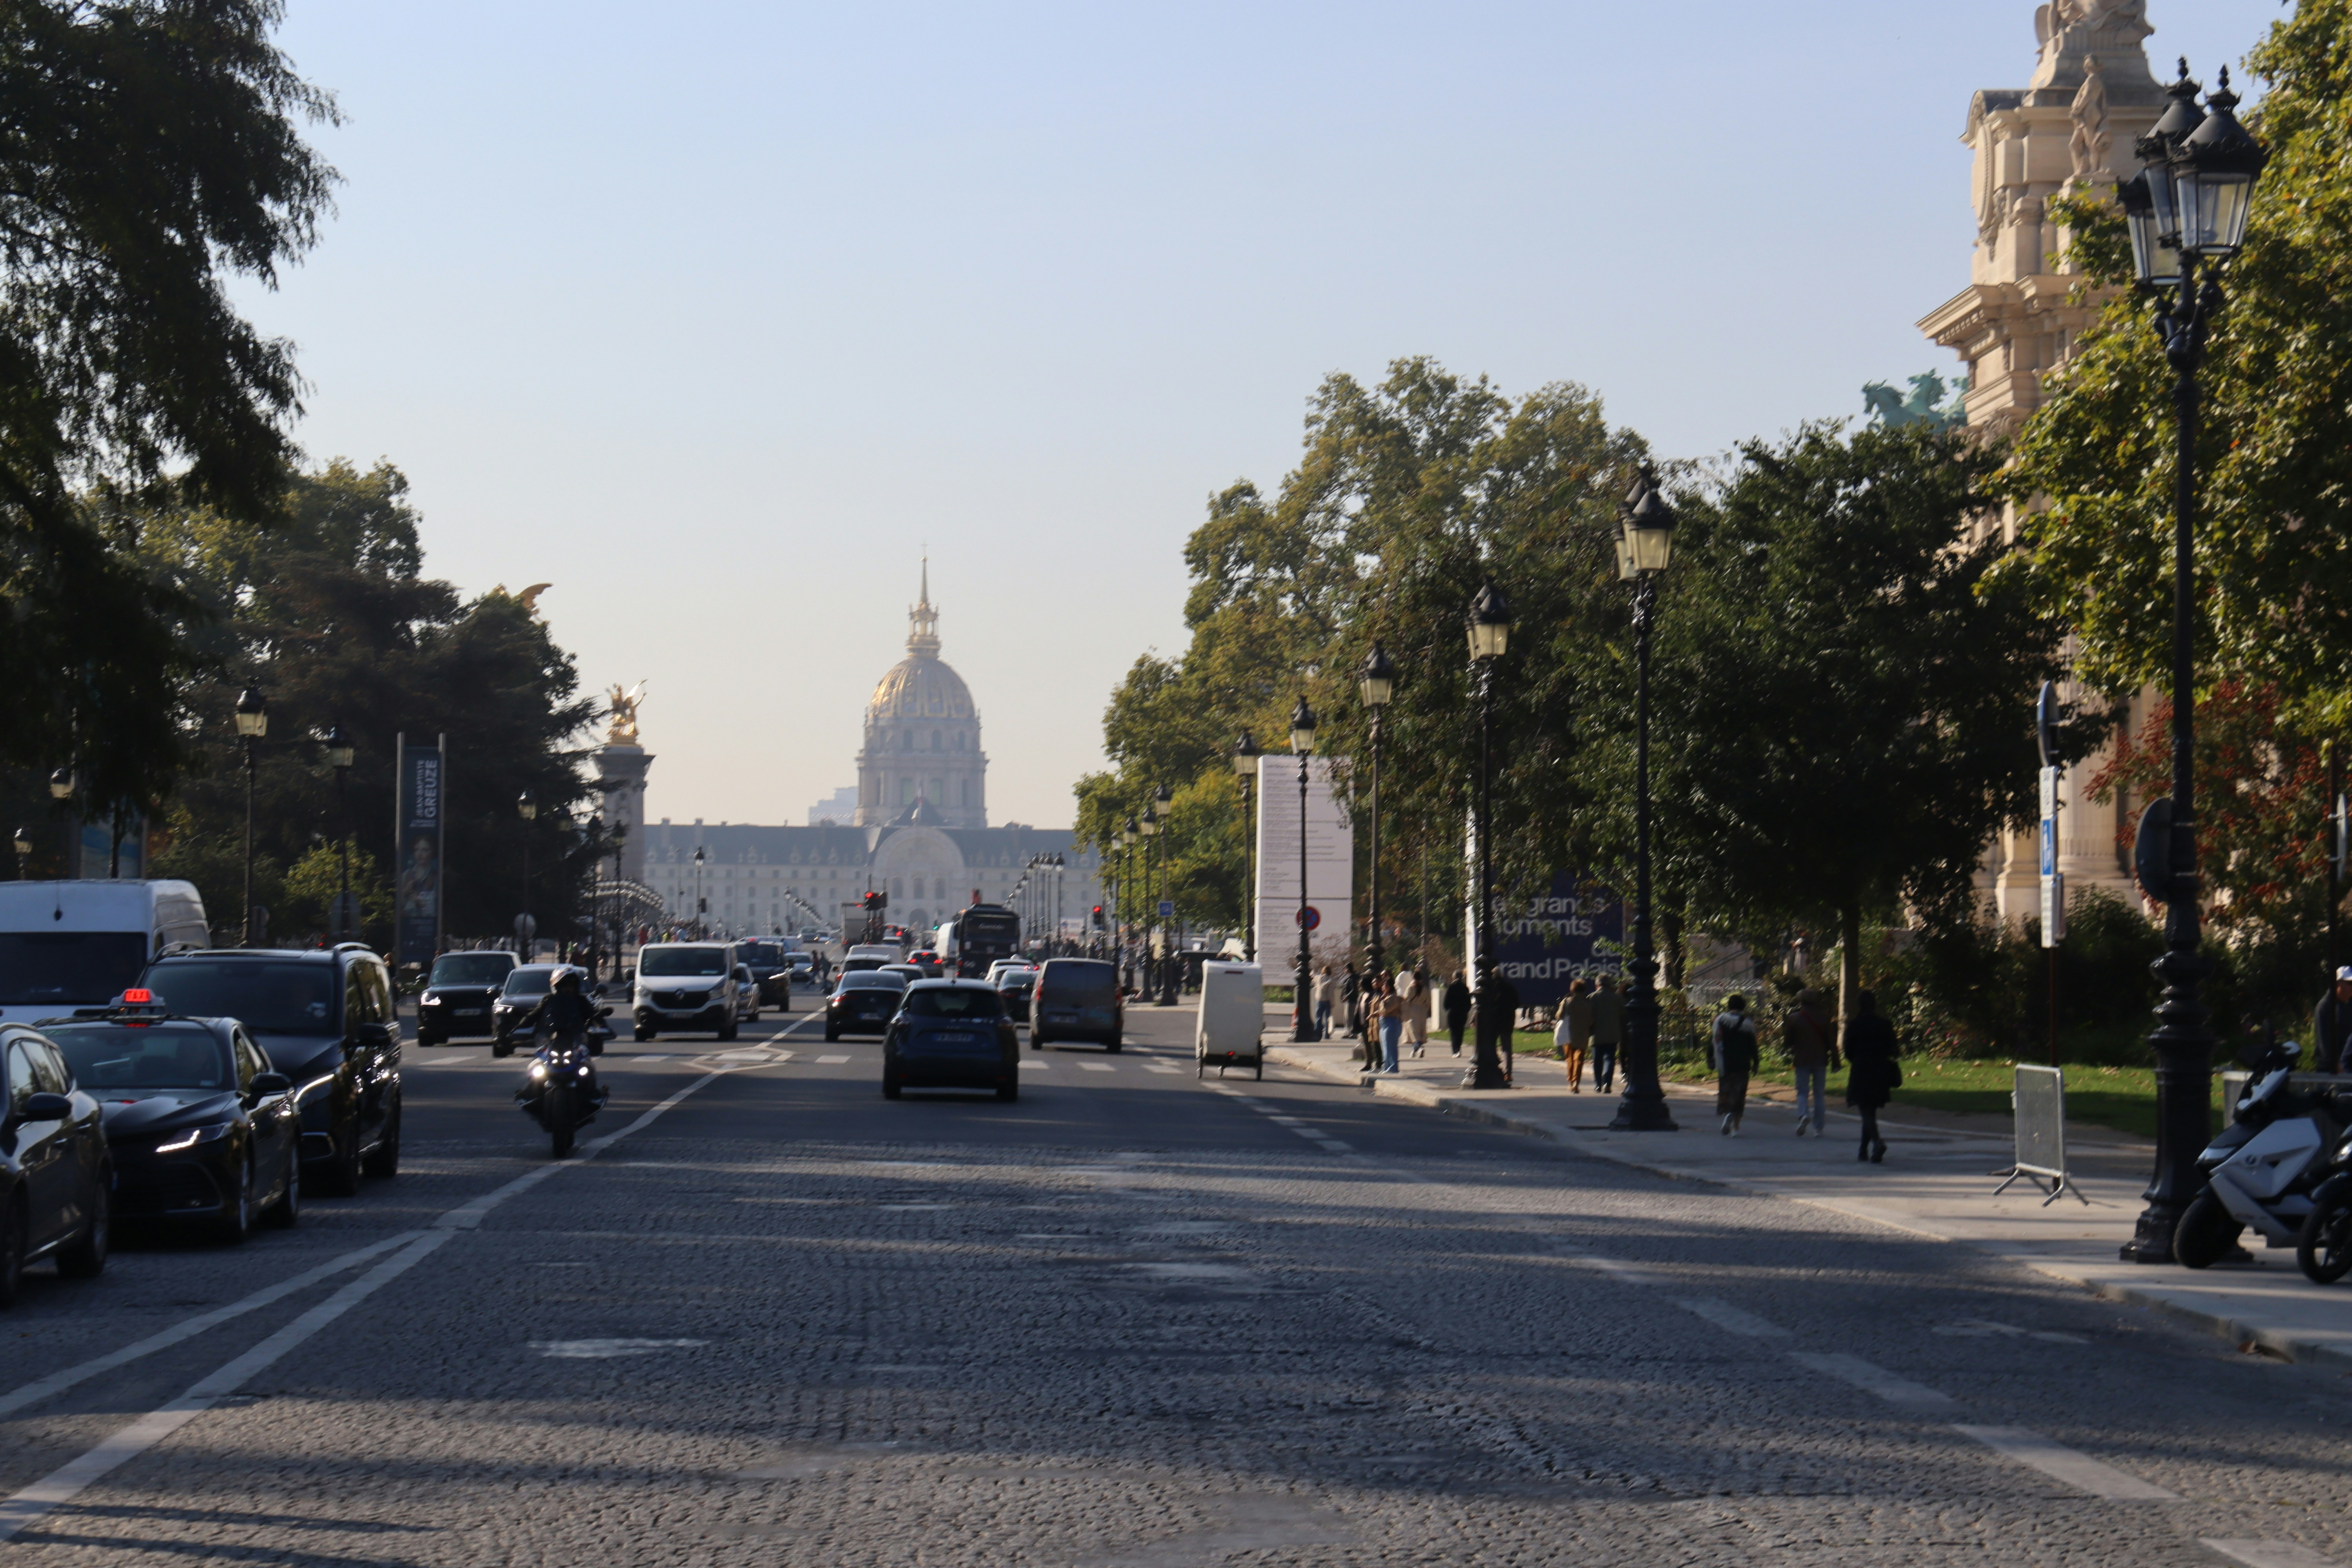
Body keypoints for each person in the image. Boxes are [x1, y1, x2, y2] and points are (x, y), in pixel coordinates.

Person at [1843, 989, 1900, 1163]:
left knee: (1865, 1111)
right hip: (1880, 1070)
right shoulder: (1884, 1024)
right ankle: (1864, 1151)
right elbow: (1894, 1049)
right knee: (1870, 1112)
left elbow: (1848, 1052)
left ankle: (1876, 1142)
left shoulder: (1854, 1025)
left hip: (1861, 1069)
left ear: (1859, 1005)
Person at [1784, 987, 1839, 1137]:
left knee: (1802, 1091)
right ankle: (1819, 1128)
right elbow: (1831, 1042)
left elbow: (1788, 1042)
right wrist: (1836, 1061)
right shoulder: (1824, 1018)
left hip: (1802, 1059)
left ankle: (1803, 1115)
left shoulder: (1794, 1018)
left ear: (1800, 1001)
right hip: (1820, 1059)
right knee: (1819, 1094)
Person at [1712, 995, 1759, 1135]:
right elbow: (1753, 1046)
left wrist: (1710, 1057)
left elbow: (1715, 1040)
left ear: (1729, 1006)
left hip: (1725, 1062)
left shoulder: (1720, 1021)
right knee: (1739, 1094)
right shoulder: (1747, 1023)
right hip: (1742, 1063)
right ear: (1743, 1006)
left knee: (1726, 1090)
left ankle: (1727, 1114)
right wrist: (1756, 1062)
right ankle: (1735, 1128)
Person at [1556, 978, 1594, 1091]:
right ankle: (1576, 1082)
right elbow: (1592, 1020)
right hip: (1583, 1034)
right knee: (1579, 1059)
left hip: (1568, 1033)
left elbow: (1559, 1016)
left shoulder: (1567, 1001)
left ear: (1572, 989)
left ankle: (1571, 1081)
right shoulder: (1589, 1004)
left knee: (1569, 1059)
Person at [2313, 967, 2352, 1074]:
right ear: (2337, 983)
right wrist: (2337, 1066)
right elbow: (2324, 1042)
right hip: (2330, 1073)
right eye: (2350, 983)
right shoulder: (2325, 1007)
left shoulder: (2348, 1005)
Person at [1590, 974, 1623, 1093]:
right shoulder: (1617, 998)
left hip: (1596, 1035)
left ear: (1597, 985)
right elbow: (1623, 1015)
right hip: (1612, 1034)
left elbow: (1588, 1017)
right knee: (1610, 1059)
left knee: (1597, 1061)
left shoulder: (1592, 998)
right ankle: (1608, 1084)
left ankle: (1598, 1084)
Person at [1374, 973, 1405, 1073]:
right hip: (1383, 1023)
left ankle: (1393, 1067)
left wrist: (1382, 1002)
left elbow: (1386, 1010)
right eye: (1383, 986)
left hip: (1392, 1022)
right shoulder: (1385, 997)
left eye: (1386, 986)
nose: (1384, 988)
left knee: (1391, 1046)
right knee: (1385, 1047)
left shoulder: (1393, 997)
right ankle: (1386, 1066)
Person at [1401, 965, 1432, 1058]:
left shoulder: (1410, 989)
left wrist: (1404, 1012)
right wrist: (1425, 1009)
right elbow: (1428, 1002)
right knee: (1420, 1032)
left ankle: (1419, 1047)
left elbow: (1406, 1001)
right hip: (1422, 1011)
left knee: (1413, 1033)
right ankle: (1415, 1050)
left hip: (1412, 1011)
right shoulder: (1425, 989)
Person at [1443, 968, 1472, 1056]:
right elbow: (1469, 1002)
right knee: (1460, 1031)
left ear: (1454, 977)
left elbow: (1446, 1002)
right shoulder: (1465, 988)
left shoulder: (1451, 987)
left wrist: (1448, 1009)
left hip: (1452, 1013)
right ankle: (1459, 1048)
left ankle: (1456, 1050)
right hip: (1462, 1013)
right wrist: (1466, 1010)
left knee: (1453, 1032)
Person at [1312, 964, 1338, 1042]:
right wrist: (1332, 1003)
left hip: (1319, 1000)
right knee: (1327, 1018)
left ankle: (1318, 1034)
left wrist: (1312, 970)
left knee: (1319, 1017)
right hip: (1327, 1001)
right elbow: (1331, 993)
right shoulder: (1331, 980)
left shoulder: (1319, 978)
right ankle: (1327, 1035)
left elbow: (1313, 977)